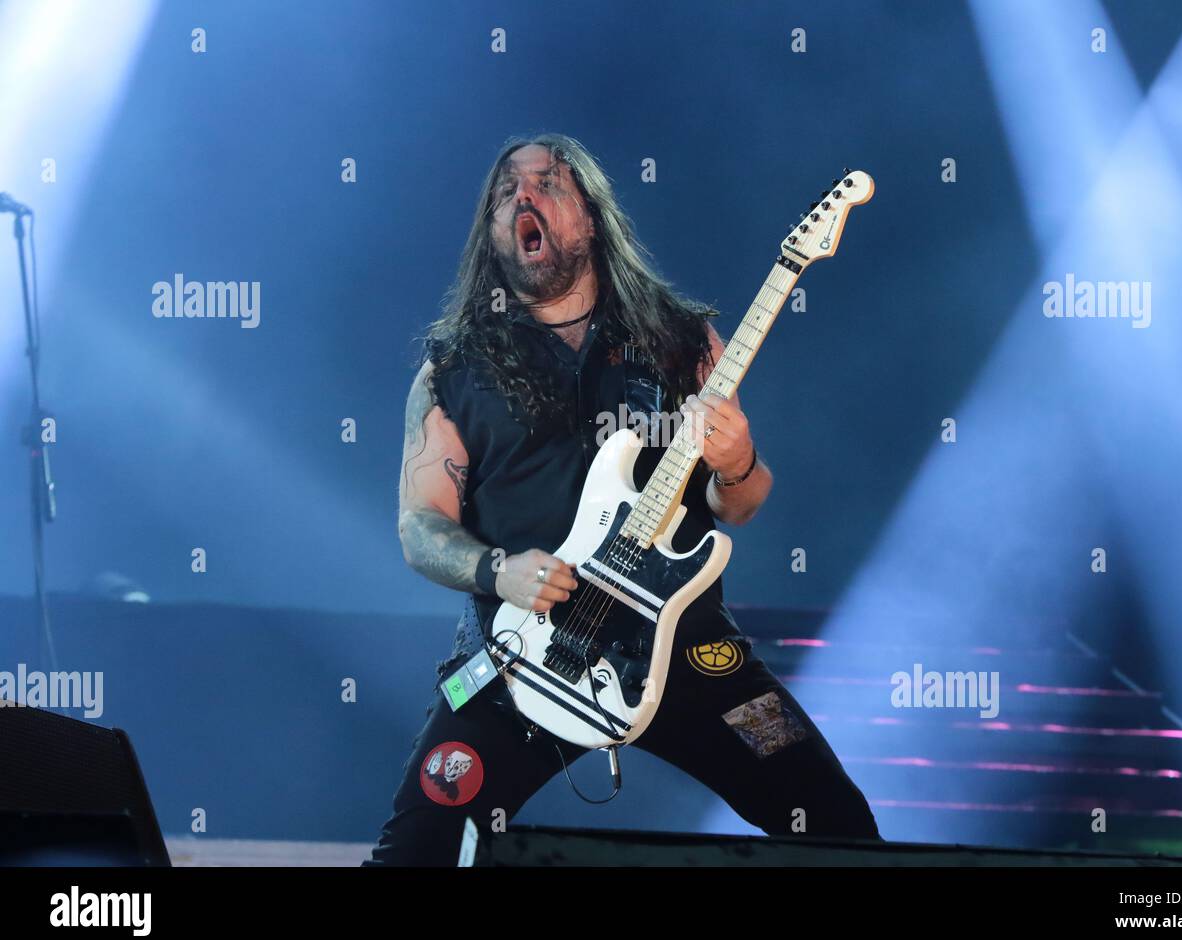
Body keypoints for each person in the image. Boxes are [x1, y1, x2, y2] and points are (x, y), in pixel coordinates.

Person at [365, 133, 879, 865]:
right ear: (491, 230)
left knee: (839, 826)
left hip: (686, 649)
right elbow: (419, 526)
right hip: (522, 654)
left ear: (593, 216)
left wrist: (738, 463)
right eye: (506, 192)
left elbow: (741, 504)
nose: (523, 198)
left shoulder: (682, 340)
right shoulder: (453, 367)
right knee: (414, 855)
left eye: (547, 183)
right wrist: (497, 570)